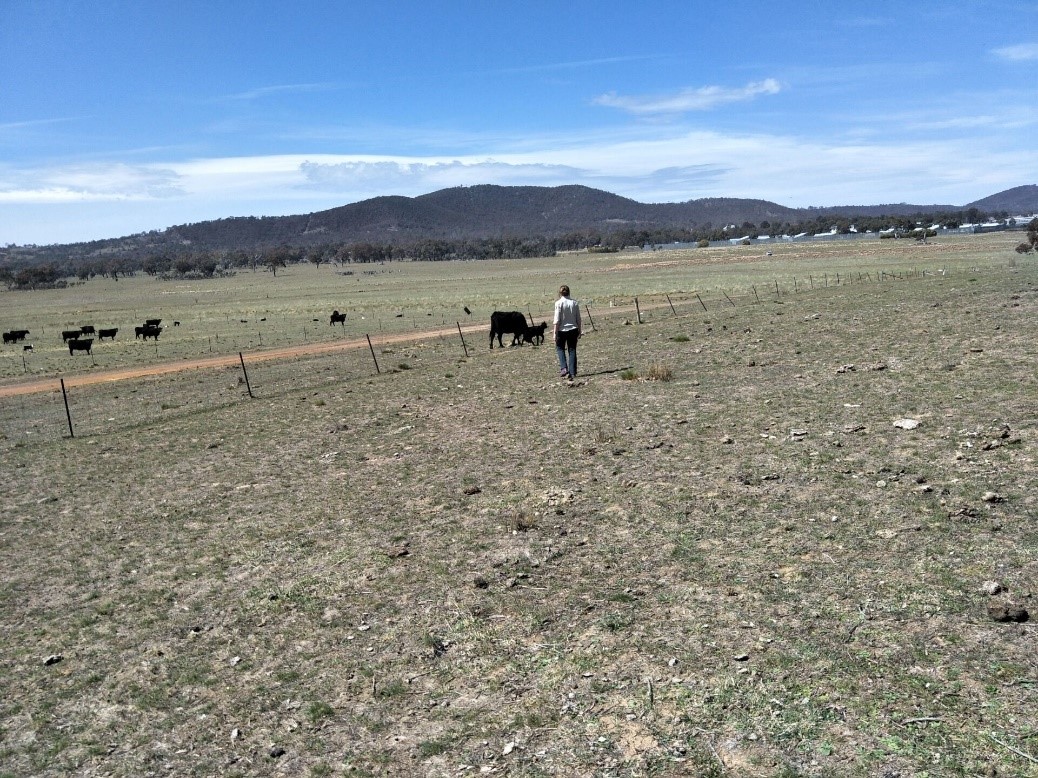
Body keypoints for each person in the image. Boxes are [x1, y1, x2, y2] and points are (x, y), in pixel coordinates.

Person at [553, 284, 581, 379]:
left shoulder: (558, 303)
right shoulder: (574, 303)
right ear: (569, 292)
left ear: (560, 293)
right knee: (572, 350)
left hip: (561, 330)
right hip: (573, 329)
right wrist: (579, 330)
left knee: (560, 348)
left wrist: (555, 333)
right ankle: (572, 372)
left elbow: (557, 320)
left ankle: (564, 367)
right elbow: (578, 319)